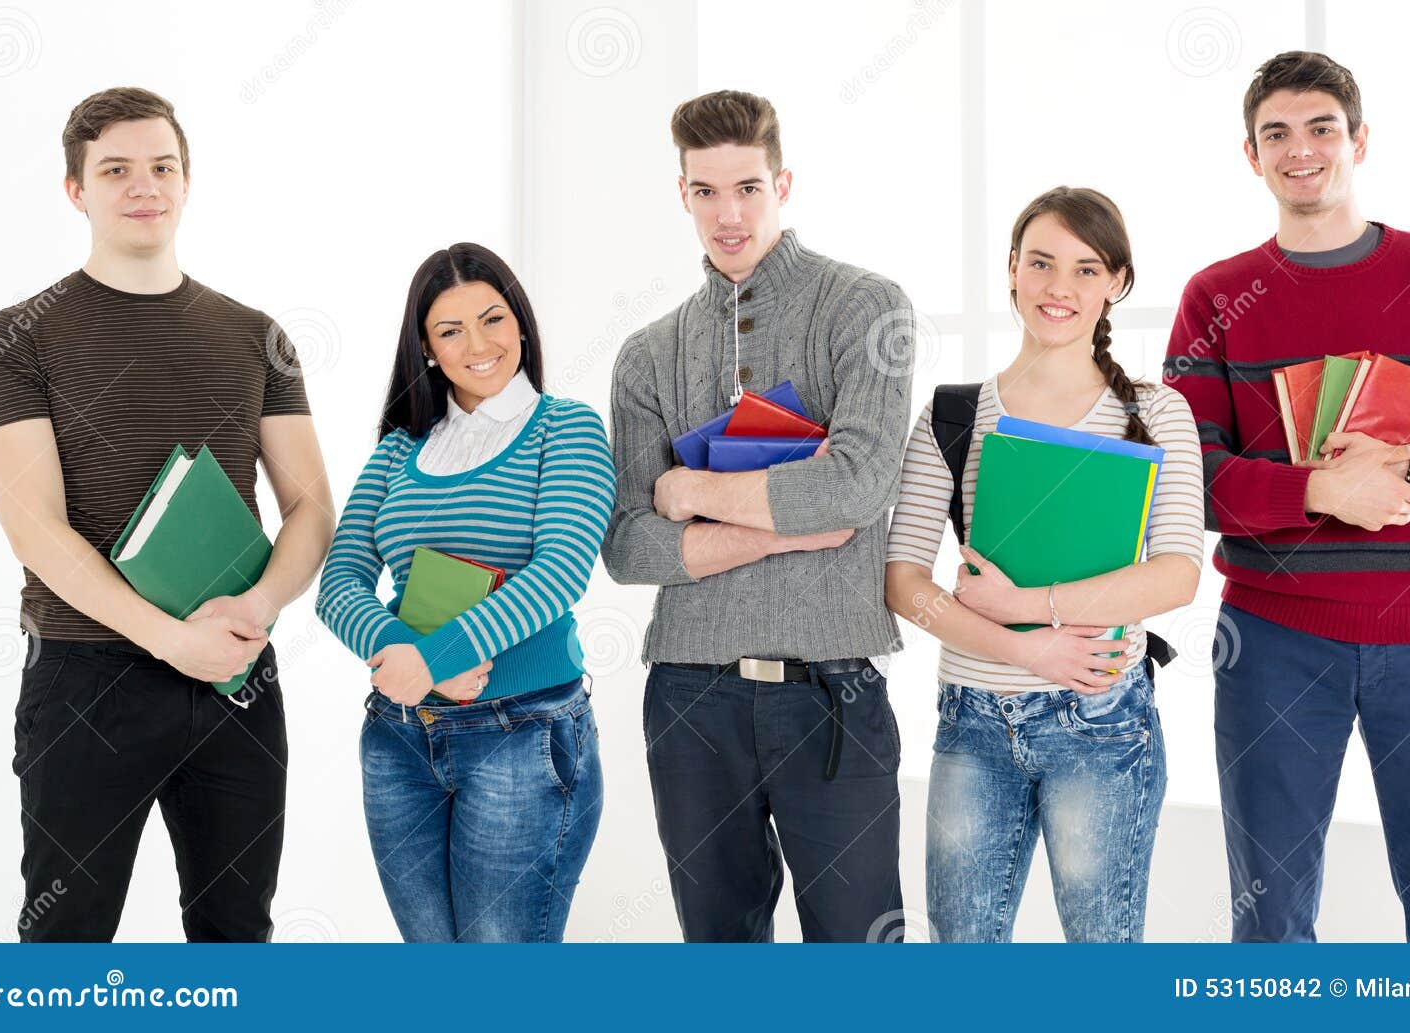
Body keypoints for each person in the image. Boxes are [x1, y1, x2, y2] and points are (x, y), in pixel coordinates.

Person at [1163, 51, 1410, 942]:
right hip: (1270, 643)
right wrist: (1317, 488)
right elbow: (1187, 478)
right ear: (1251, 156)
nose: (1301, 150)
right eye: (1277, 134)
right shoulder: (1214, 299)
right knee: (1270, 927)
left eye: (1322, 128)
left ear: (1360, 140)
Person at [0, 87, 334, 941]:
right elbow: (36, 530)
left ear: (187, 180)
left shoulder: (256, 334)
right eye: (116, 169)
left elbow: (313, 506)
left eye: (162, 166)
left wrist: (257, 607)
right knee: (67, 941)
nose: (145, 186)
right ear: (77, 190)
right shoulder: (19, 336)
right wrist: (171, 639)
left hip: (238, 670)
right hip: (86, 675)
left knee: (238, 932)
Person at [601, 89, 913, 942]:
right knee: (721, 961)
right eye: (706, 191)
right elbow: (629, 545)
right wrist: (789, 525)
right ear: (682, 194)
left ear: (784, 182)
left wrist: (690, 491)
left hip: (831, 689)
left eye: (747, 187)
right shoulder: (646, 354)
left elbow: (854, 487)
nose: (728, 214)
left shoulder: (866, 307)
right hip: (689, 696)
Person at [885, 186, 1204, 942]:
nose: (1060, 287)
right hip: (972, 722)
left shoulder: (1156, 413)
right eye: (1042, 263)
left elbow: (1178, 573)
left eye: (1087, 269)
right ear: (1012, 272)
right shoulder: (954, 414)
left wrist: (1033, 599)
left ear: (1117, 284)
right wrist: (1023, 643)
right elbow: (902, 579)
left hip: (1102, 723)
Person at [315, 243, 614, 942]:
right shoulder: (398, 448)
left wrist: (440, 656)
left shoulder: (565, 427)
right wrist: (409, 657)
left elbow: (562, 569)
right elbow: (339, 581)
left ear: (522, 325)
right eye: (451, 330)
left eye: (493, 319)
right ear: (426, 348)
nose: (478, 345)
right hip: (399, 733)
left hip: (523, 732)